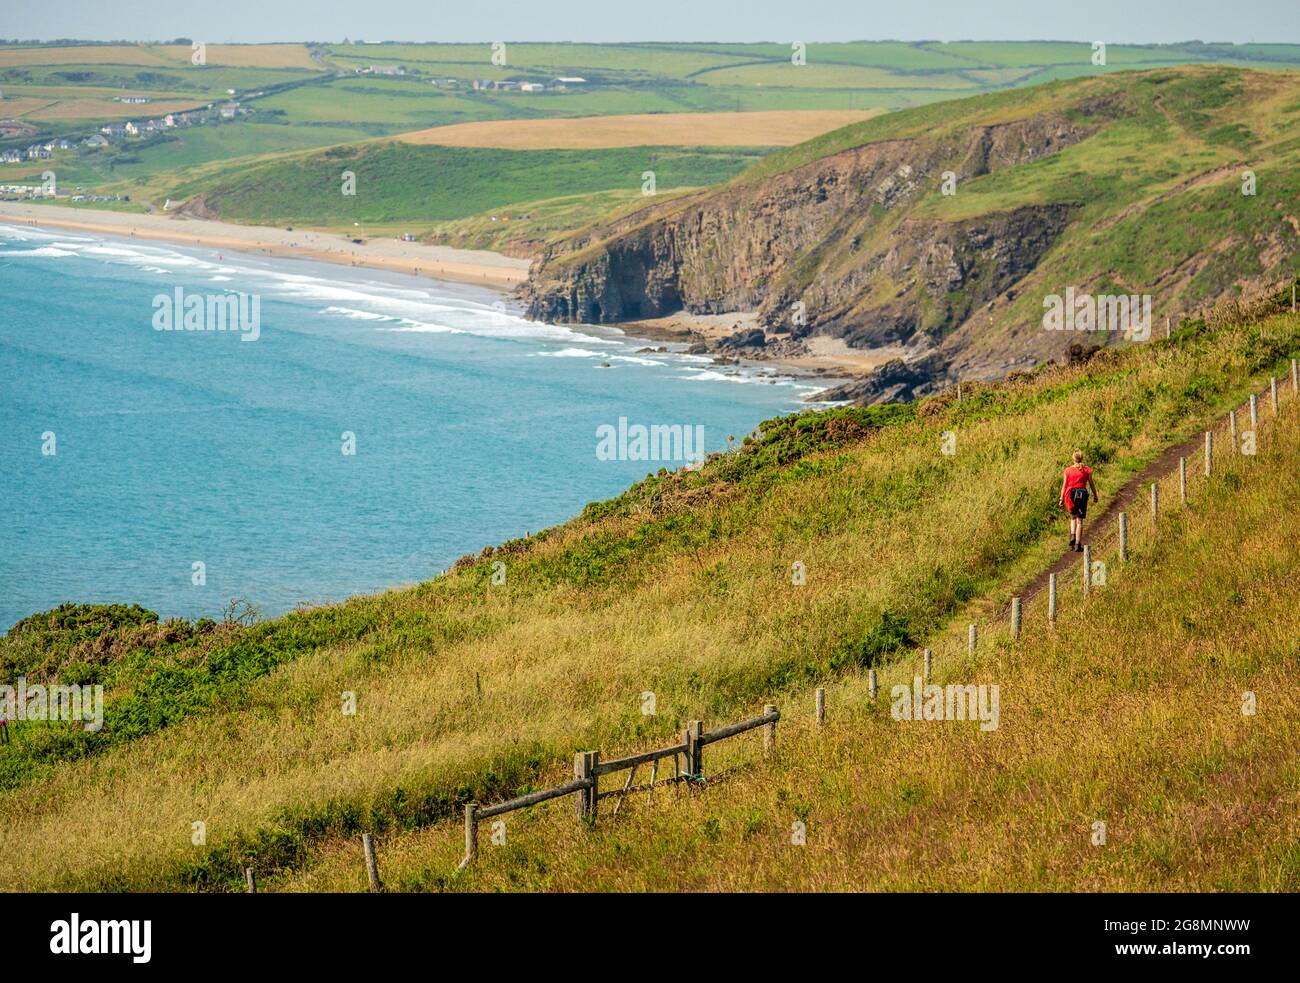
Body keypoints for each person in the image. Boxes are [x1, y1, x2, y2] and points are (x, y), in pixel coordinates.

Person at [1059, 450, 1098, 552]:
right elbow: (1091, 484)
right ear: (1082, 458)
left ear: (1073, 458)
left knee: (1073, 517)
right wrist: (1095, 495)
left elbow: (1064, 486)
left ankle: (1072, 535)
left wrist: (1061, 499)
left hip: (1070, 496)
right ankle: (1077, 544)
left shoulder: (1067, 471)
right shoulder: (1086, 470)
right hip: (1082, 496)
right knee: (1080, 521)